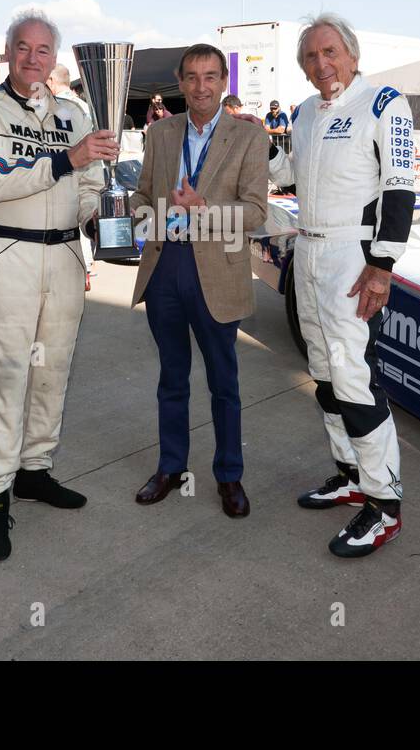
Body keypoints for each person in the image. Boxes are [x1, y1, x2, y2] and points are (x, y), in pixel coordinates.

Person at [0, 9, 116, 562]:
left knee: (53, 370)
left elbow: (91, 182)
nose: (33, 58)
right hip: (8, 251)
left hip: (65, 254)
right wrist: (67, 159)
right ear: (7, 52)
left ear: (55, 58)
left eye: (44, 50)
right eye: (24, 47)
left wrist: (100, 214)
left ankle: (35, 470)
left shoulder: (75, 112)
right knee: (6, 376)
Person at [264, 13, 415, 558]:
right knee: (324, 371)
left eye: (330, 52)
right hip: (306, 247)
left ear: (352, 55)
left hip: (353, 255)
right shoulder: (304, 112)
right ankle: (351, 474)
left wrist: (383, 265)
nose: (321, 64)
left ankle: (385, 503)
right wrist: (261, 147)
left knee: (353, 376)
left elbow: (400, 189)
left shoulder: (383, 102)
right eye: (310, 56)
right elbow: (288, 177)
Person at [128, 44, 268, 518]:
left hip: (217, 271)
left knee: (223, 382)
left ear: (223, 82)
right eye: (192, 77)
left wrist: (203, 211)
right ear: (180, 82)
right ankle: (171, 467)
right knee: (172, 377)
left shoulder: (249, 138)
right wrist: (128, 211)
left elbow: (254, 213)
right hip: (166, 267)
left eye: (211, 77)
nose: (201, 86)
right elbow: (145, 193)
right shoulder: (161, 133)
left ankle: (229, 477)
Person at [47, 63, 97, 289]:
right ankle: (86, 267)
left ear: (51, 81)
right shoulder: (84, 105)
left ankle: (83, 269)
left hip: (68, 174)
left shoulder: (64, 108)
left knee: (76, 220)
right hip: (84, 172)